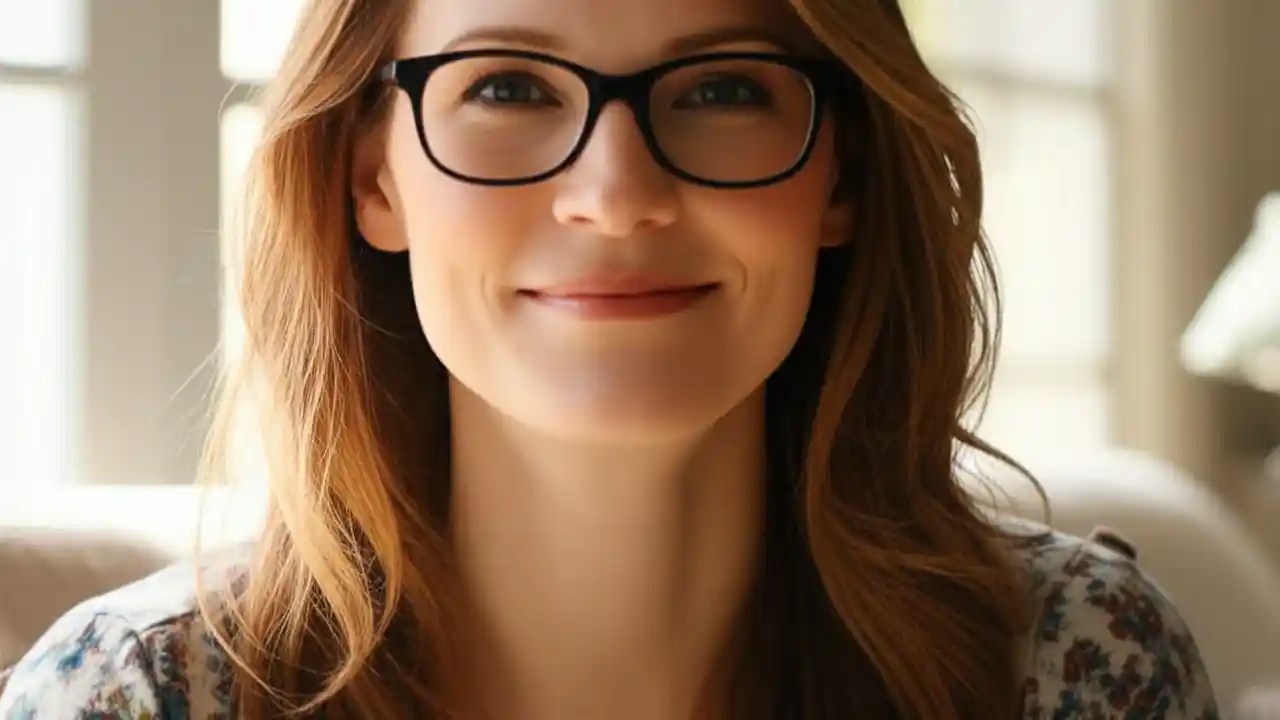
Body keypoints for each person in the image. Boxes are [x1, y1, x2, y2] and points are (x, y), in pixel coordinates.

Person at [0, 0, 1220, 717]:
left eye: (725, 88)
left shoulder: (1069, 664)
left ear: (838, 172)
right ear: (372, 177)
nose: (618, 193)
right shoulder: (137, 698)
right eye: (510, 85)